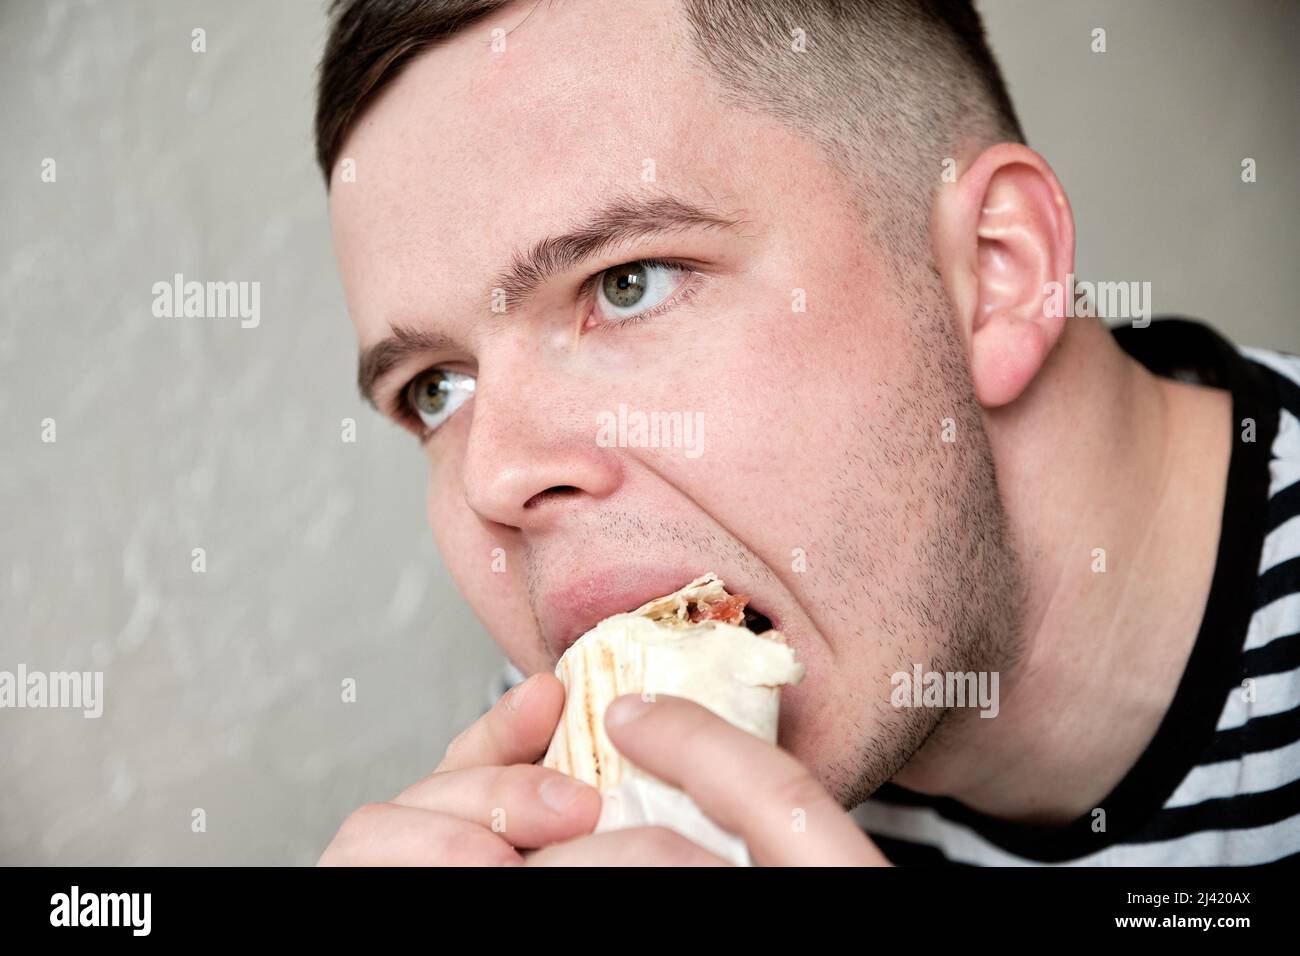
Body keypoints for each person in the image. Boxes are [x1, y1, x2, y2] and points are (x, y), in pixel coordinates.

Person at [313, 0, 1300, 865]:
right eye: (436, 389)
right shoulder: (597, 714)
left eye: (629, 282)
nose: (500, 477)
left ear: (999, 270)